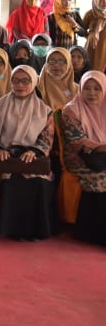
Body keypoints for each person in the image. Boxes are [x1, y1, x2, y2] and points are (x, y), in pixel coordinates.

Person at [0, 65, 57, 241]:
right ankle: (10, 229)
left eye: (26, 81)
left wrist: (34, 151)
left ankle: (35, 231)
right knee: (10, 179)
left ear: (34, 83)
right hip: (6, 156)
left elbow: (47, 138)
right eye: (15, 80)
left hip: (32, 157)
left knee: (39, 180)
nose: (20, 85)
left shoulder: (44, 110)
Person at [61, 72, 106, 246]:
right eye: (86, 88)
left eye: (97, 89)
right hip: (80, 158)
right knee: (101, 178)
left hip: (102, 158)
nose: (91, 93)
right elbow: (77, 142)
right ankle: (94, 233)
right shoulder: (71, 110)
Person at [81, 0, 106, 72]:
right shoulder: (90, 14)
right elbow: (82, 30)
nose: (104, 2)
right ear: (96, 0)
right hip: (92, 46)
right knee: (90, 69)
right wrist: (91, 36)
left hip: (104, 47)